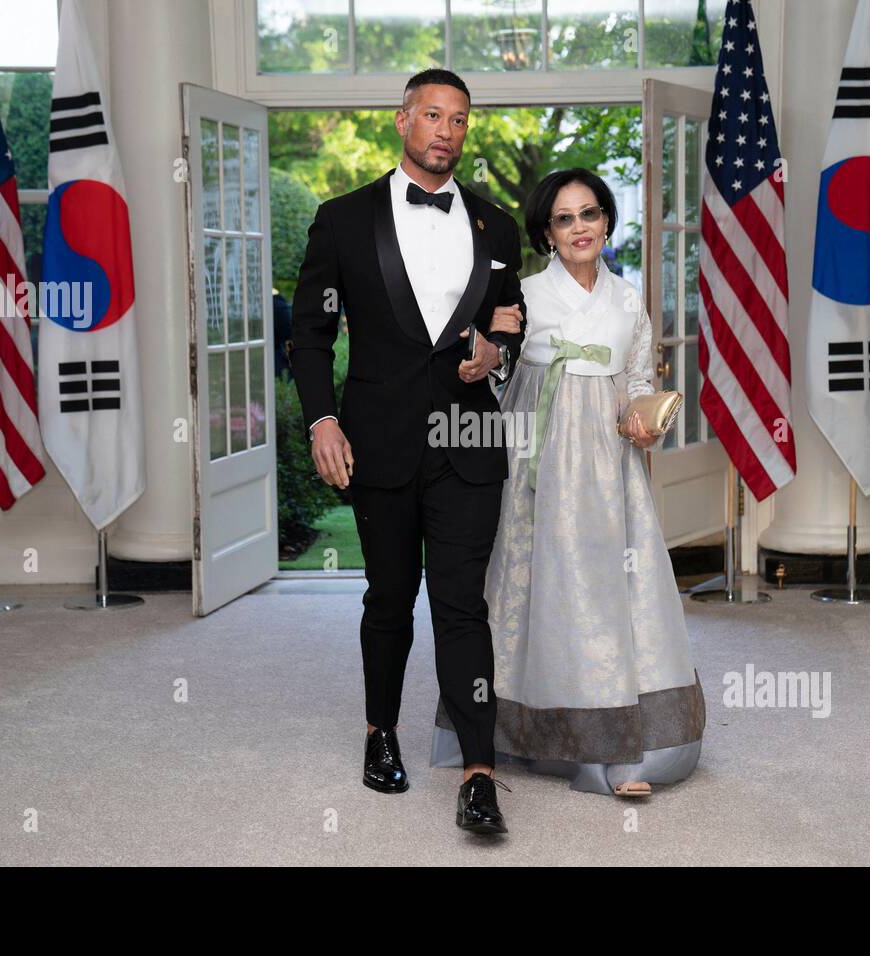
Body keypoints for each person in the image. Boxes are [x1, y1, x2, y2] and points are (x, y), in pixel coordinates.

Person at [289, 69, 527, 834]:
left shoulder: (497, 226)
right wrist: (323, 423)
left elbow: (508, 324)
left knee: (464, 607)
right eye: (432, 115)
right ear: (402, 122)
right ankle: (379, 731)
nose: (446, 131)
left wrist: (494, 355)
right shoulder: (341, 220)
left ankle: (479, 773)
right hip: (377, 442)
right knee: (390, 600)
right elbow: (310, 336)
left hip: (468, 442)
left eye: (459, 119)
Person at [430, 168, 707, 797]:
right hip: (539, 454)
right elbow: (491, 370)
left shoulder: (628, 297)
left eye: (589, 214)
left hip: (609, 464)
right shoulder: (524, 294)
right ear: (548, 233)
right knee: (539, 584)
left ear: (607, 221)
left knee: (613, 588)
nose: (579, 227)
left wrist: (644, 418)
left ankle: (622, 753)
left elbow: (635, 379)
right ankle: (518, 729)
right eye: (564, 218)